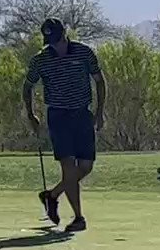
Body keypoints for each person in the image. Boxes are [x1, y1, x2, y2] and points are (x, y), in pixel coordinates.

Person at [23, 18, 106, 233]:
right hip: (58, 116)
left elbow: (99, 80)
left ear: (64, 35)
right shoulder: (40, 60)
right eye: (50, 42)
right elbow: (28, 86)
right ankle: (79, 217)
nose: (55, 46)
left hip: (82, 114)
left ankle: (52, 195)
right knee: (69, 166)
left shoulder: (84, 52)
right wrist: (31, 114)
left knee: (85, 167)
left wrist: (99, 113)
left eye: (57, 40)